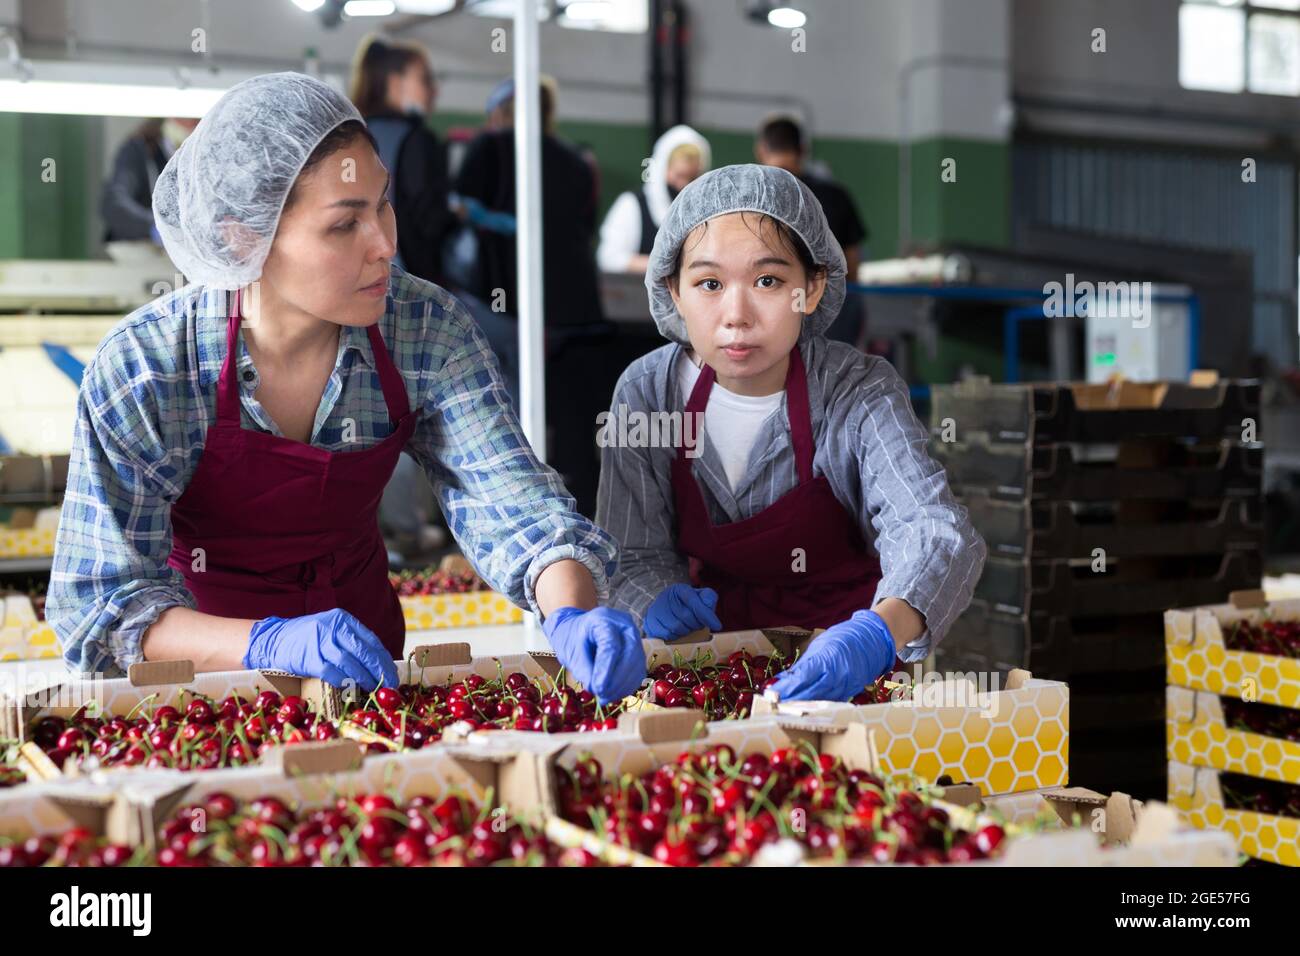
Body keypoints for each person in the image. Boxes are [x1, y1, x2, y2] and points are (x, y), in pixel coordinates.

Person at [47, 73, 645, 705]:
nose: (386, 245)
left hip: (367, 676)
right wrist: (265, 644)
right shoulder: (148, 368)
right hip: (196, 694)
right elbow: (103, 602)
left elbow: (512, 503)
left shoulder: (425, 331)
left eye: (382, 204)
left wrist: (572, 611)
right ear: (242, 235)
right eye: (344, 224)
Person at [595, 164, 985, 702]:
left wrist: (877, 635)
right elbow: (632, 552)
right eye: (709, 283)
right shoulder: (645, 392)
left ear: (814, 286)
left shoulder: (857, 390)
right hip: (711, 666)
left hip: (854, 668)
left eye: (768, 281)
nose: (737, 315)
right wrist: (655, 598)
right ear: (673, 291)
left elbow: (934, 530)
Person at [453, 76, 611, 518]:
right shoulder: (578, 164)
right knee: (571, 423)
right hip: (572, 310)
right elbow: (583, 226)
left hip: (507, 305)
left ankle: (514, 514)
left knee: (505, 413)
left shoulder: (490, 148)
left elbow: (455, 208)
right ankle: (570, 516)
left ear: (502, 111)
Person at [349, 35, 454, 287]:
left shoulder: (353, 133)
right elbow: (430, 220)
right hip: (411, 283)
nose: (434, 90)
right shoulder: (418, 139)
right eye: (425, 79)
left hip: (361, 277)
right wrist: (457, 216)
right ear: (395, 83)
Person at [755, 115, 868, 348]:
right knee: (832, 377)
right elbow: (852, 263)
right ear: (803, 149)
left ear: (761, 150)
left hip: (771, 308)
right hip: (834, 312)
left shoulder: (752, 199)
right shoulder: (836, 196)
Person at [597, 125, 710, 275]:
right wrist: (667, 265)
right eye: (679, 176)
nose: (683, 185)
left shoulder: (705, 211)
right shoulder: (632, 204)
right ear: (662, 168)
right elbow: (609, 258)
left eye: (692, 178)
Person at [101, 117, 197, 243]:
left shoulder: (203, 156)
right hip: (142, 250)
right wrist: (155, 226)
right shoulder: (140, 150)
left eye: (195, 120)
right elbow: (114, 203)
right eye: (182, 118)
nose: (189, 124)